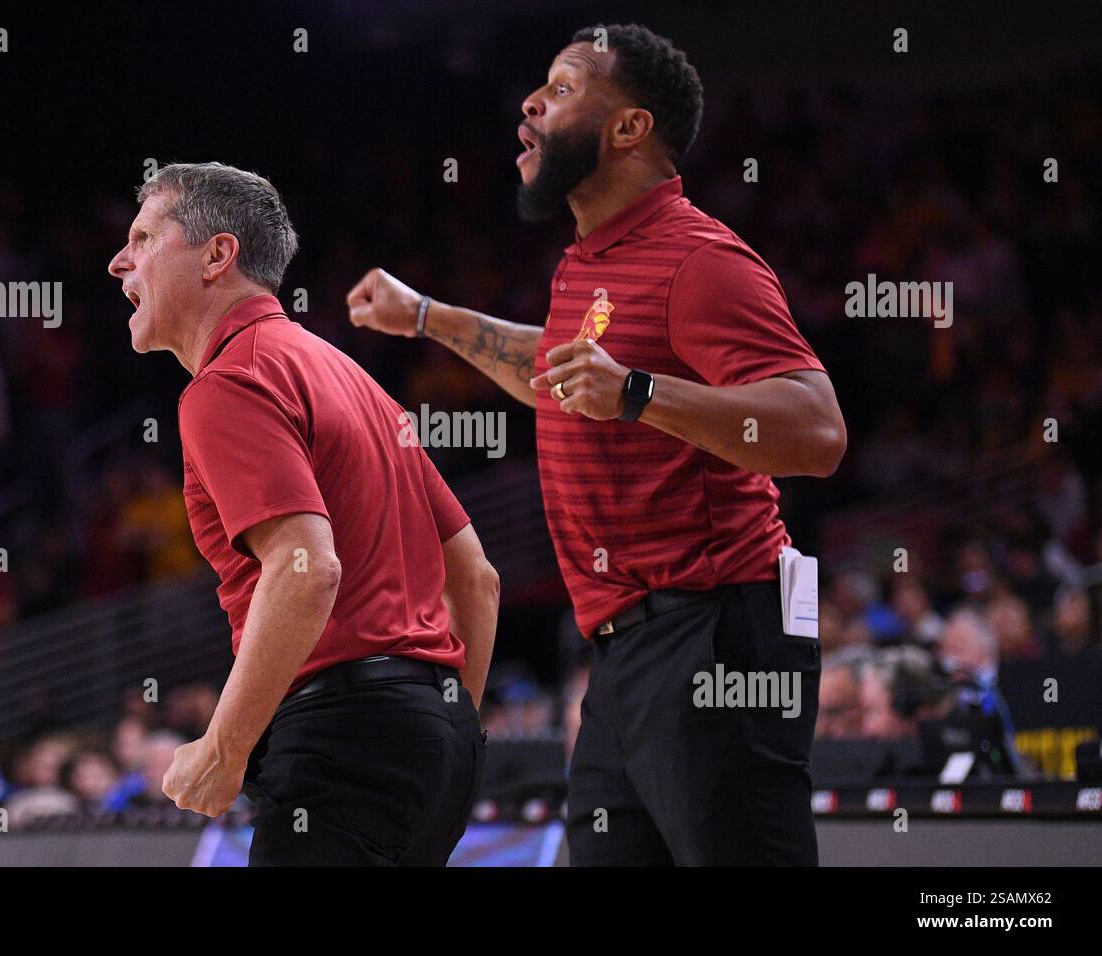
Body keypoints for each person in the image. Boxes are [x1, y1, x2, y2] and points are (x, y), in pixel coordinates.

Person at [347, 24, 846, 865]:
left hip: (717, 635)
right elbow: (558, 377)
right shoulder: (588, 262)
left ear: (628, 129)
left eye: (565, 86)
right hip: (623, 653)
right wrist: (429, 317)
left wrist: (641, 393)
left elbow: (819, 431)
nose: (531, 103)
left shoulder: (702, 260)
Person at [107, 162, 500, 865]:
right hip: (435, 743)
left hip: (341, 734)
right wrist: (450, 726)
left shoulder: (229, 381)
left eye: (141, 237)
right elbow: (475, 576)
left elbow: (307, 566)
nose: (118, 261)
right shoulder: (351, 377)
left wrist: (224, 750)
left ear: (217, 255)